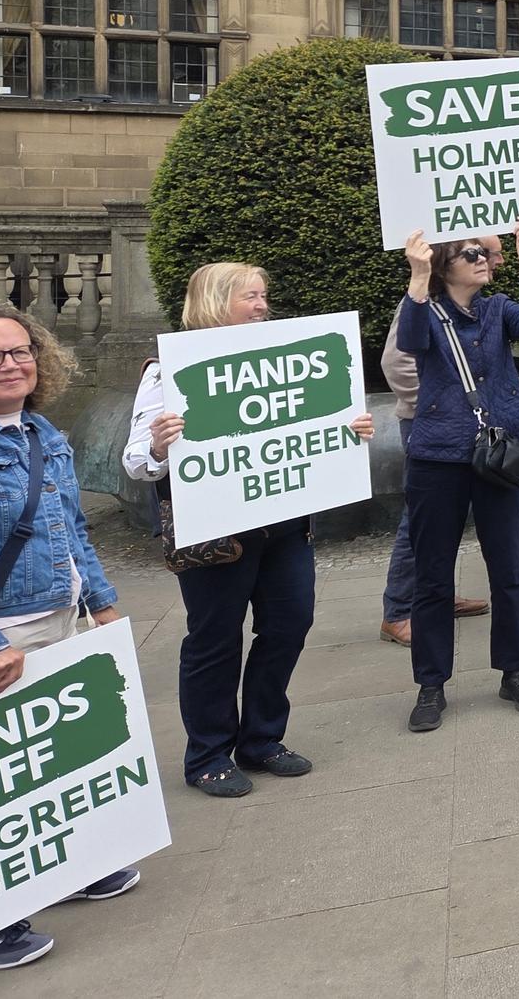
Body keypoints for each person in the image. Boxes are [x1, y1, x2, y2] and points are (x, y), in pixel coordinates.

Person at [124, 263, 373, 796]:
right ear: (215, 301)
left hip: (282, 526)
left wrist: (348, 429)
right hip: (215, 535)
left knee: (289, 625)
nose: (263, 305)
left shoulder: (286, 362)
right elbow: (135, 462)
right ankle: (208, 754)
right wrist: (160, 445)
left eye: (264, 295)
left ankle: (261, 739)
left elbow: (310, 427)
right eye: (251, 297)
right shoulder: (167, 372)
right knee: (214, 640)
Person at [0, 302, 138, 970]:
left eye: (21, 352)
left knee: (54, 759)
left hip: (61, 613)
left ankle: (67, 867)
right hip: (2, 630)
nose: (13, 364)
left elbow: (72, 528)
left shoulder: (44, 433)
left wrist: (101, 601)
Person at [396, 218, 519, 732]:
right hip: (438, 457)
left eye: (482, 254)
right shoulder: (425, 310)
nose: (483, 259)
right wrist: (417, 278)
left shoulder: (495, 309)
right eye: (470, 254)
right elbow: (411, 344)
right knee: (434, 573)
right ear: (445, 265)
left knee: (508, 567)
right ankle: (431, 683)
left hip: (497, 451)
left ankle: (515, 669)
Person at [376, 311, 488, 645]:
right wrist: (434, 407)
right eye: (481, 255)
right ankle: (396, 611)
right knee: (420, 517)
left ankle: (436, 594)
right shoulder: (419, 299)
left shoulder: (459, 299)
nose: (491, 263)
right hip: (426, 424)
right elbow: (396, 364)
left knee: (446, 516)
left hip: (451, 423)